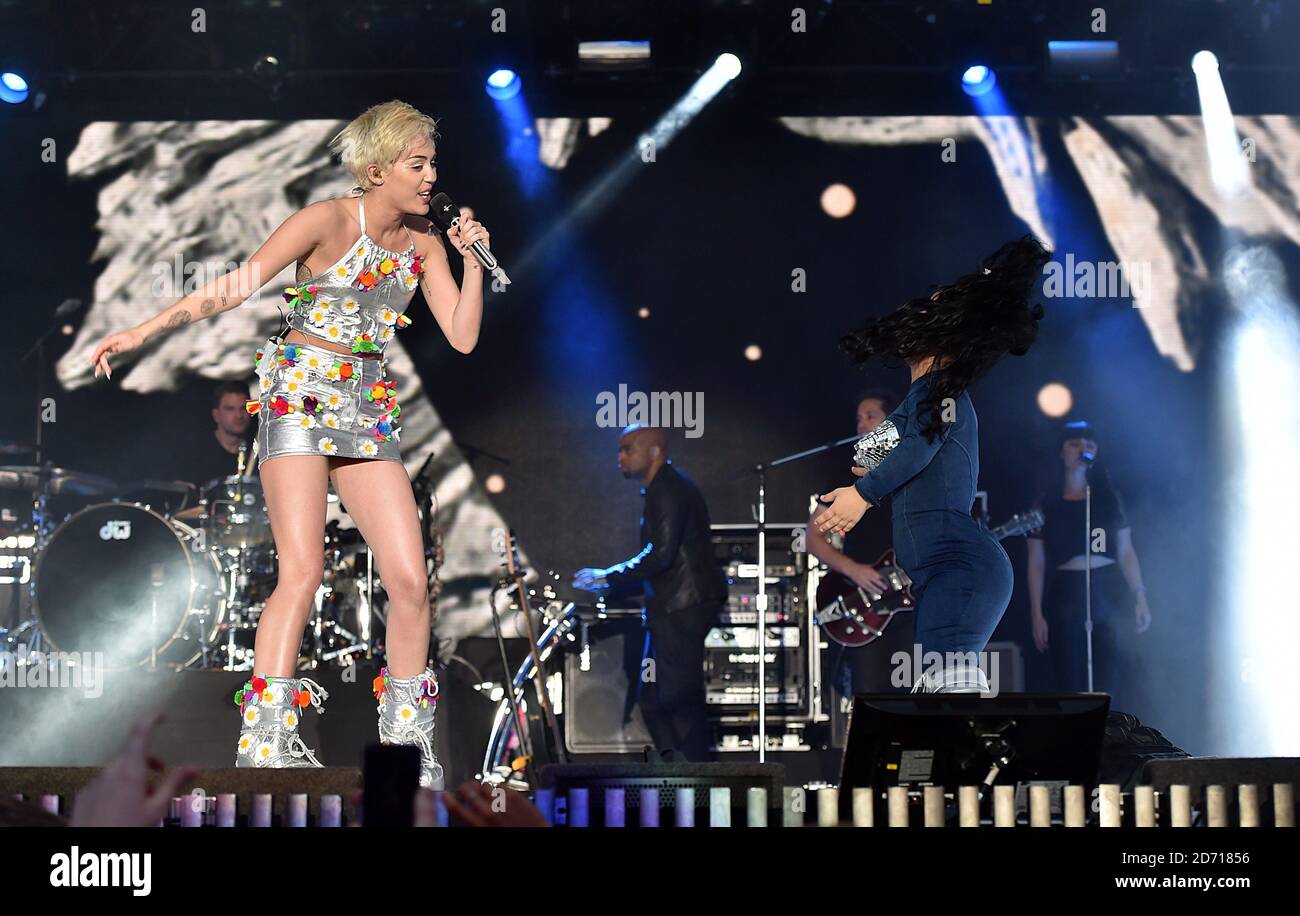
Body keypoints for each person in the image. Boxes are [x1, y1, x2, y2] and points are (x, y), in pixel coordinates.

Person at [87, 100, 491, 787]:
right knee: (300, 570)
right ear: (376, 168)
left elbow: (462, 334)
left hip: (366, 408)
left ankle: (407, 750)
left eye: (432, 164)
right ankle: (266, 741)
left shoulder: (425, 243)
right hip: (300, 396)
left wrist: (471, 259)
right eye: (416, 163)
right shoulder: (327, 220)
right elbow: (233, 288)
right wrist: (142, 332)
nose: (430, 176)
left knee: (412, 582)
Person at [814, 236, 1050, 693]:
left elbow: (914, 451)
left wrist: (862, 497)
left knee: (948, 697)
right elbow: (867, 456)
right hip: (944, 573)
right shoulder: (918, 400)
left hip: (958, 568)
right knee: (941, 692)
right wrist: (867, 465)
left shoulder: (941, 392)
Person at [573, 426, 727, 761]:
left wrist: (609, 576)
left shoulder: (668, 489)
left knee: (678, 699)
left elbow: (661, 554)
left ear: (654, 451)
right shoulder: (663, 488)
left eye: (628, 449)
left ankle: (700, 784)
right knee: (653, 698)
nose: (620, 457)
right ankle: (678, 775)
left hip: (683, 607)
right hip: (669, 608)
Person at [1027, 420, 1152, 697]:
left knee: (1108, 672)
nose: (1083, 449)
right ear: (1062, 451)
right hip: (1066, 589)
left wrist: (1139, 595)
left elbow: (1126, 550)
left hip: (1105, 586)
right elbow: (1035, 561)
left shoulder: (1108, 499)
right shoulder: (1046, 502)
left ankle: (1109, 732)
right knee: (1069, 675)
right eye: (1074, 444)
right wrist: (1037, 613)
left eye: (1090, 446)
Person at [808, 389, 916, 697]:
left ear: (892, 423)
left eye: (870, 416)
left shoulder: (913, 469)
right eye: (858, 418)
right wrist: (854, 570)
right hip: (865, 605)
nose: (861, 425)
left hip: (912, 603)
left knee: (914, 698)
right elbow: (813, 537)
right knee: (869, 696)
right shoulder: (844, 475)